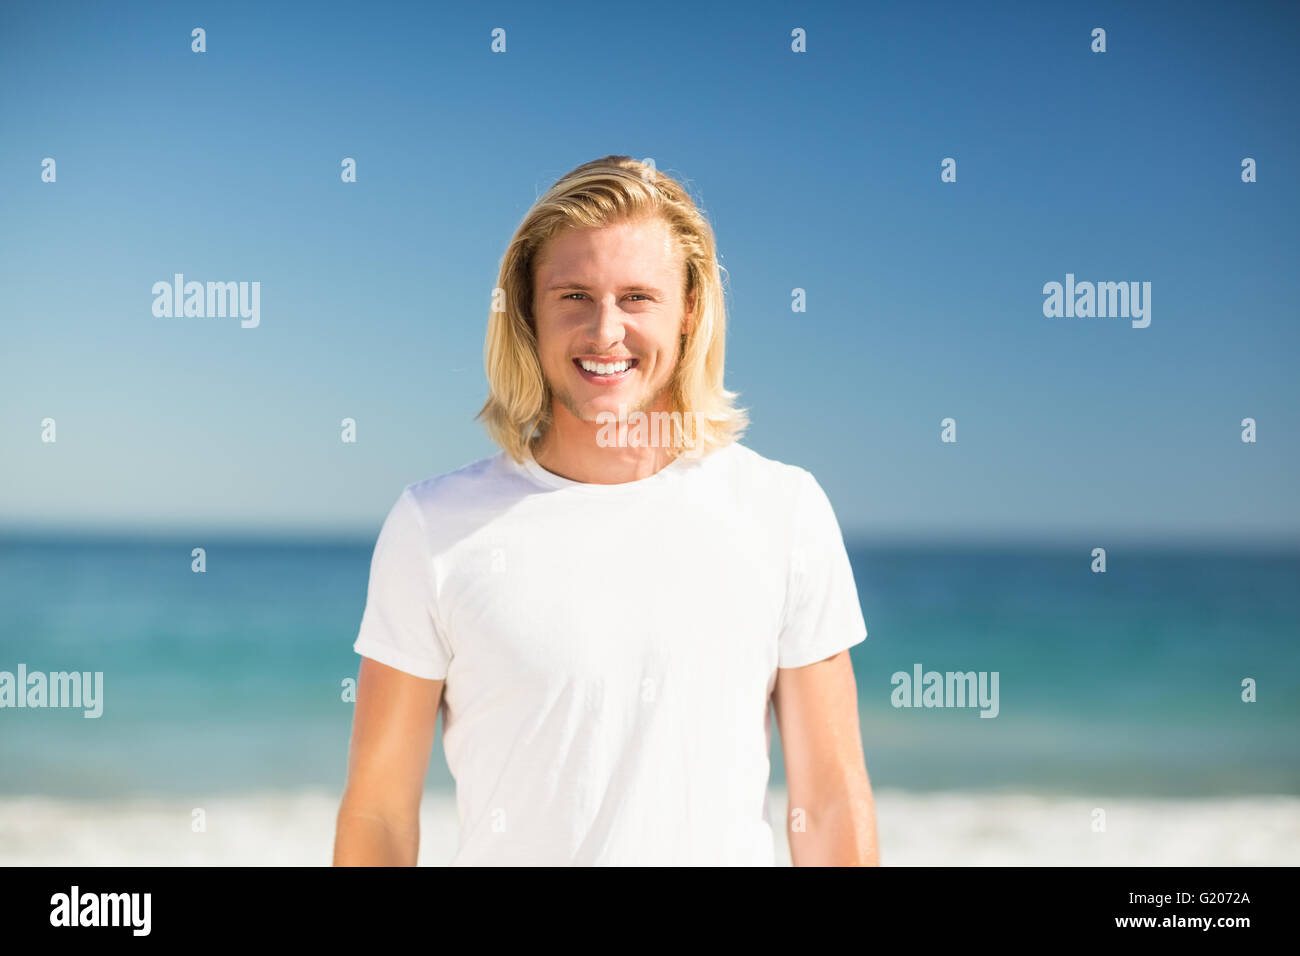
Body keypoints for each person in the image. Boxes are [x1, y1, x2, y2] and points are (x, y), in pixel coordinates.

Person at [333, 156, 878, 866]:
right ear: (528, 314)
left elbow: (830, 803)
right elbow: (378, 813)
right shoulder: (434, 528)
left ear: (689, 314)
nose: (605, 331)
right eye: (574, 296)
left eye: (637, 298)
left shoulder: (783, 512)